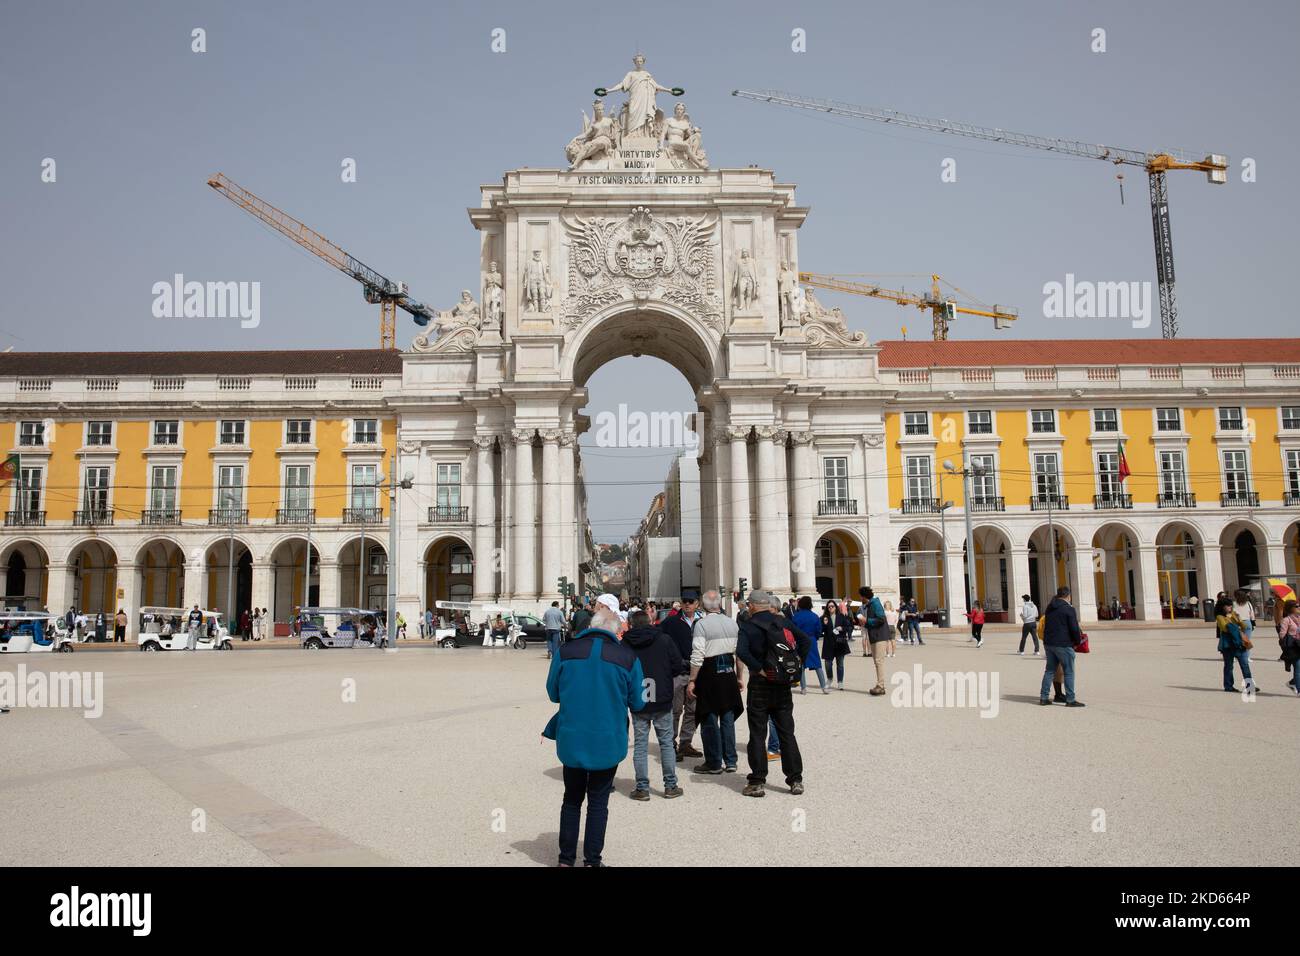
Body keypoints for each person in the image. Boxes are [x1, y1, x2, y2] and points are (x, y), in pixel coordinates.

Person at [542, 594, 645, 867]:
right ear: (615, 630)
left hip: (572, 737)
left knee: (571, 799)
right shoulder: (627, 657)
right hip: (608, 739)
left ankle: (565, 860)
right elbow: (638, 701)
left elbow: (553, 693)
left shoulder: (566, 651)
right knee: (598, 802)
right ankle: (592, 861)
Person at [737, 591, 809, 797]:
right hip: (782, 684)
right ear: (768, 605)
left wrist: (758, 668)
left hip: (760, 683)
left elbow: (741, 651)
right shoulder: (782, 622)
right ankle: (795, 779)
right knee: (787, 732)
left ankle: (758, 781)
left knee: (758, 733)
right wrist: (796, 666)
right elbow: (805, 641)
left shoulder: (748, 625)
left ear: (751, 605)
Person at [622, 609, 686, 799]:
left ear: (631, 624)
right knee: (666, 743)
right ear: (650, 621)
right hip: (661, 697)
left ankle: (642, 788)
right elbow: (677, 666)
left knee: (640, 744)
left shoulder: (625, 643)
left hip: (638, 698)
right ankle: (670, 785)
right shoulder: (664, 640)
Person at [687, 590, 745, 774]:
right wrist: (739, 677)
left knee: (709, 717)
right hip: (728, 671)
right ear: (719, 604)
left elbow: (697, 654)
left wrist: (692, 679)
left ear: (703, 605)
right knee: (727, 717)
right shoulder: (732, 623)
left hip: (709, 672)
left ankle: (713, 761)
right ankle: (731, 760)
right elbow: (739, 654)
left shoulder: (701, 624)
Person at [659, 592, 704, 761]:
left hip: (696, 672)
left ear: (697, 603)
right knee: (675, 710)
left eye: (690, 602)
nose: (686, 604)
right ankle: (671, 744)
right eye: (684, 601)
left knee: (693, 710)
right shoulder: (671, 622)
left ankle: (686, 743)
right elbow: (658, 637)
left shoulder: (702, 622)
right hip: (677, 672)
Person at [1039, 586, 1085, 706]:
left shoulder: (1050, 608)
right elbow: (1074, 628)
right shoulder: (1068, 609)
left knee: (1049, 671)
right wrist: (1077, 641)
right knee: (1069, 671)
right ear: (1068, 596)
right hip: (1063, 644)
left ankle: (1044, 697)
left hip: (1049, 643)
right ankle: (1070, 699)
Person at [1215, 596, 1254, 694]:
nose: (1230, 608)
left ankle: (1250, 687)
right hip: (1227, 644)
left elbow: (1244, 626)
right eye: (1228, 606)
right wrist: (1231, 621)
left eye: (1231, 606)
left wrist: (1238, 619)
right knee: (1229, 666)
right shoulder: (1220, 617)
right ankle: (1228, 686)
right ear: (1222, 607)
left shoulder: (1233, 615)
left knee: (1245, 665)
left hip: (1238, 643)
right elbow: (1225, 628)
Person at [791, 596, 828, 694]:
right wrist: (814, 638)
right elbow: (818, 631)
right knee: (817, 664)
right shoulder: (814, 616)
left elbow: (793, 630)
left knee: (801, 665)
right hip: (811, 640)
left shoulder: (796, 616)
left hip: (800, 641)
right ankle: (823, 687)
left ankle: (803, 688)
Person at [856, 587, 890, 696]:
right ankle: (880, 685)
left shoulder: (875, 604)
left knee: (878, 661)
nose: (860, 598)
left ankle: (881, 686)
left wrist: (867, 620)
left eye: (860, 596)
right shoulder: (871, 605)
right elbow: (874, 621)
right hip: (875, 636)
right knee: (877, 661)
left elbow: (881, 619)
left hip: (880, 636)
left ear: (864, 596)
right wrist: (864, 623)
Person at [820, 600, 852, 691]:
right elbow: (820, 629)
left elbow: (848, 627)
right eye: (829, 607)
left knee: (840, 664)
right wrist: (824, 625)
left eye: (832, 606)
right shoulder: (824, 618)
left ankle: (840, 682)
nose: (830, 608)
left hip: (840, 642)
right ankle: (830, 678)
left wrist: (842, 628)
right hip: (828, 643)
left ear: (835, 607)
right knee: (827, 664)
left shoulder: (841, 616)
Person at [1278, 599, 1300, 694]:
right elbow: (1282, 635)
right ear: (1290, 608)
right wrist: (1293, 637)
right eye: (1297, 606)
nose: (1299, 607)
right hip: (1294, 648)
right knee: (1298, 669)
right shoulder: (1286, 620)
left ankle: (1292, 682)